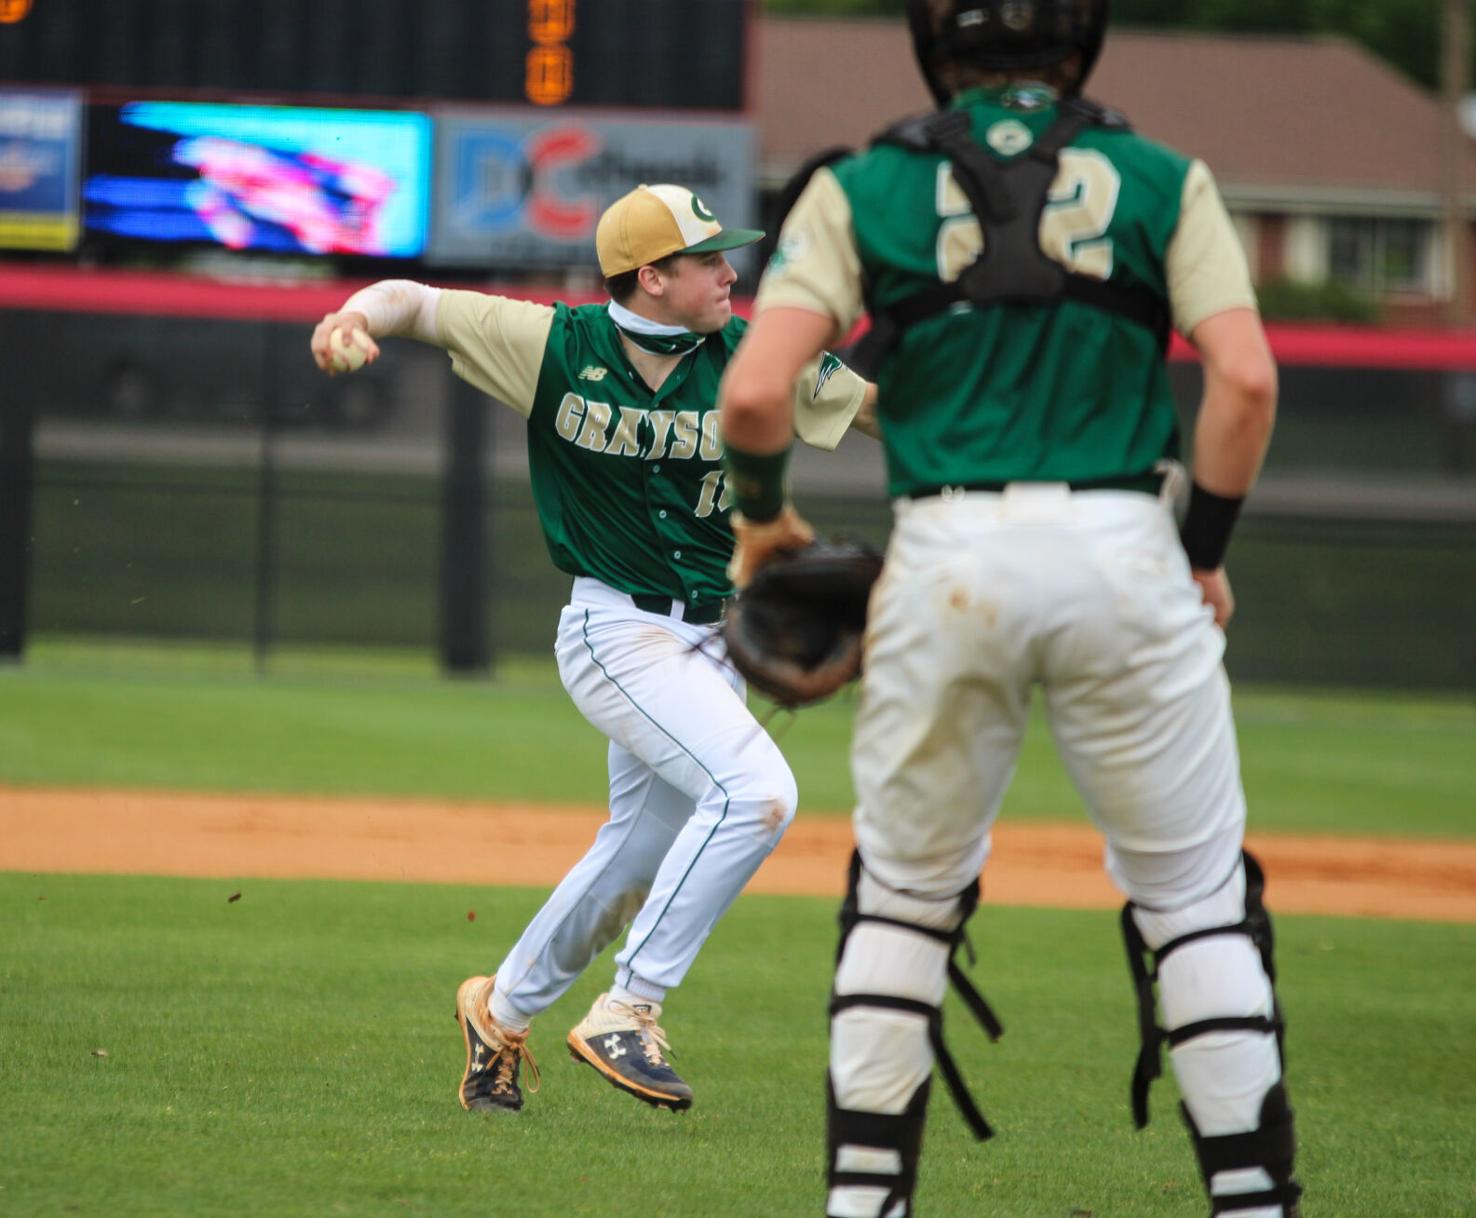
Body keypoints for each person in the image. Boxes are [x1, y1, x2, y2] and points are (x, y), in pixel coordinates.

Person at [718, 3, 1301, 1216]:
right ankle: (1253, 1201)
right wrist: (1203, 549)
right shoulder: (1160, 176)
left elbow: (756, 398)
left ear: (937, 43)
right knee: (1195, 905)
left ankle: (863, 1203)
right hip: (1126, 549)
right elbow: (1244, 379)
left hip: (946, 553)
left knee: (905, 894)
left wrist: (767, 523)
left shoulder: (864, 182)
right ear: (1080, 42)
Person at [310, 183, 876, 1115]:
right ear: (651, 276)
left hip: (722, 637)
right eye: (707, 259)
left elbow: (872, 410)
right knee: (757, 794)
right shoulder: (553, 347)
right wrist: (351, 316)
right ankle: (630, 1006)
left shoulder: (750, 356)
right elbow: (412, 301)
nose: (731, 270)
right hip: (618, 627)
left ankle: (500, 1011)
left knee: (635, 855)